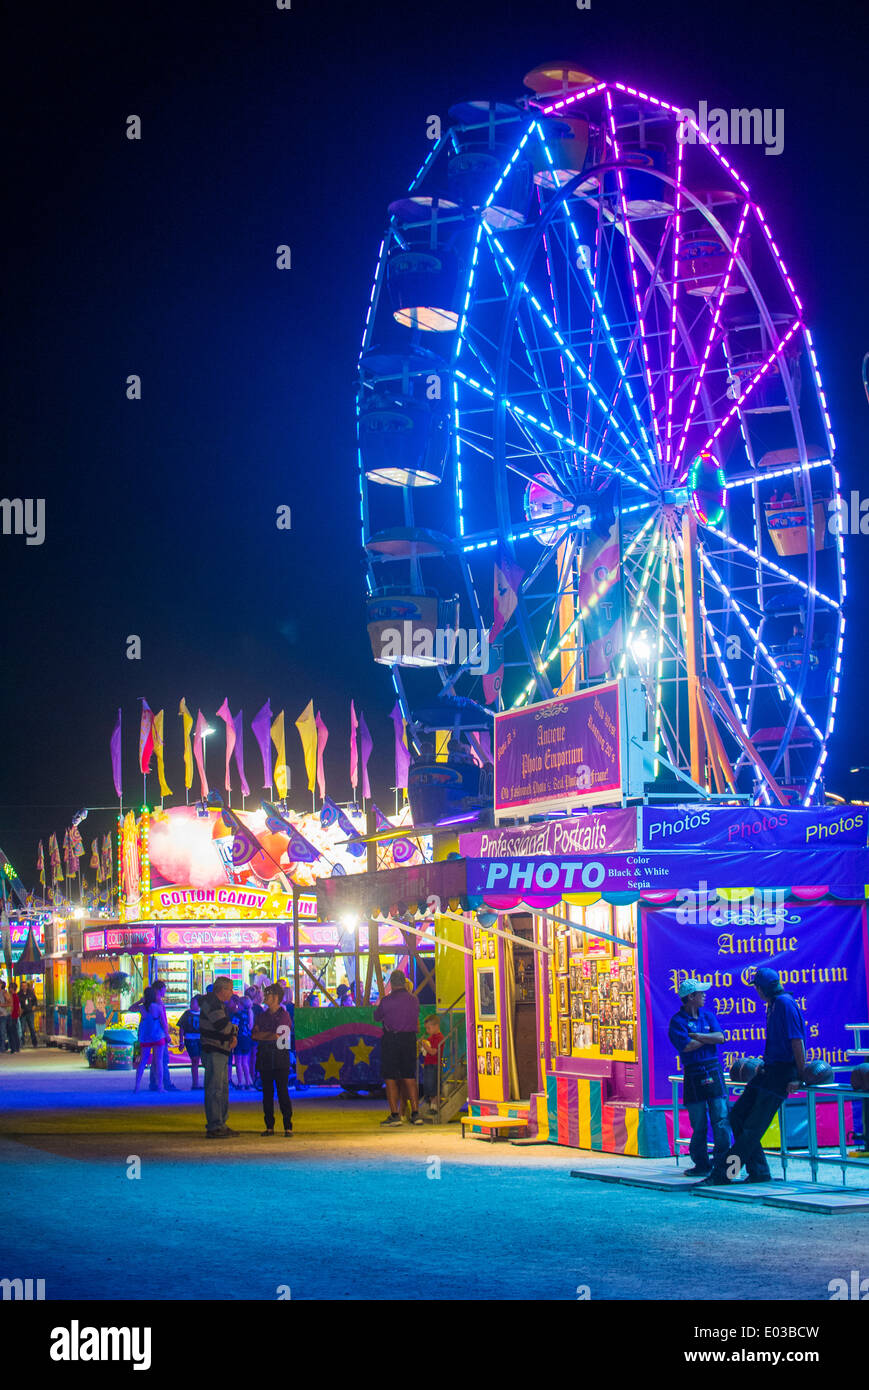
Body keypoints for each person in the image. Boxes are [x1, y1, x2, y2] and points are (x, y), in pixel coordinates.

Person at [702, 966, 807, 1186]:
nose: (756, 992)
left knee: (753, 1127)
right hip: (768, 1070)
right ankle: (759, 1171)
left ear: (761, 987)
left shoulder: (786, 1004)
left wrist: (800, 1076)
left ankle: (724, 1173)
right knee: (737, 1115)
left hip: (781, 1074)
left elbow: (797, 1042)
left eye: (756, 987)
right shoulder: (774, 1004)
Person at [668, 978, 730, 1177]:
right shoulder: (677, 1021)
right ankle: (701, 1163)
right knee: (699, 1122)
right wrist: (706, 1038)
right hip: (693, 1072)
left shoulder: (708, 1016)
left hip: (712, 1069)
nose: (704, 996)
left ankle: (723, 1161)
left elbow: (720, 1038)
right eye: (700, 993)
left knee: (720, 1118)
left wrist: (696, 1036)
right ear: (691, 997)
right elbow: (686, 1046)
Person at [374, 969, 422, 1126]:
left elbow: (377, 1016)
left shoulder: (386, 1001)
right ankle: (416, 1113)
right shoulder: (414, 1000)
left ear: (392, 984)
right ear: (404, 982)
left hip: (391, 1039)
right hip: (409, 1039)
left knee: (391, 1078)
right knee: (409, 1077)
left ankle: (395, 1115)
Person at [252, 983, 294, 1135]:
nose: (265, 997)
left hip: (280, 1056)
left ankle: (287, 1125)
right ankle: (269, 1126)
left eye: (268, 994)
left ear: (276, 997)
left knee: (282, 1092)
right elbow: (254, 1034)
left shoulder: (284, 1015)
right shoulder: (262, 1015)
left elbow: (279, 1036)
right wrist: (269, 1035)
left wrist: (265, 1035)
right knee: (267, 1093)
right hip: (265, 1056)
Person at [199, 976, 239, 1138]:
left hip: (220, 1049)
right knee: (215, 1089)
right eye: (230, 989)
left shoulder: (216, 1003)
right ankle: (215, 1124)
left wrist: (232, 1032)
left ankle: (220, 1122)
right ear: (221, 990)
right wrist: (234, 1031)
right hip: (215, 1049)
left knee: (221, 1089)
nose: (232, 992)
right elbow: (223, 1027)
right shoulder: (213, 1004)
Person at [134, 985, 169, 1093]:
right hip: (158, 1036)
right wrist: (167, 1034)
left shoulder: (142, 1007)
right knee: (158, 1061)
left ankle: (137, 1086)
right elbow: (163, 1023)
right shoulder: (158, 1007)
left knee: (143, 1061)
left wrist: (139, 1001)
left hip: (145, 1037)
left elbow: (130, 1008)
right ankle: (160, 1086)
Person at [152, 980, 179, 1091]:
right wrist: (167, 1034)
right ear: (159, 989)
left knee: (155, 1060)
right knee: (163, 1060)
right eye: (164, 988)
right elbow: (163, 1020)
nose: (165, 991)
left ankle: (154, 1083)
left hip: (153, 1034)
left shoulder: (150, 1002)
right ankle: (165, 1083)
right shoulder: (159, 1003)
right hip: (160, 1035)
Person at [419, 1013, 445, 1114]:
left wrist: (425, 1046)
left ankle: (435, 1107)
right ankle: (432, 1105)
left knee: (434, 1085)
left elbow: (433, 1051)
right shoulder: (431, 1037)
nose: (427, 1031)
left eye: (428, 1028)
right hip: (428, 1064)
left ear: (436, 1026)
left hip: (435, 1065)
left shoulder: (439, 1037)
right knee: (429, 1085)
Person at [231, 991, 255, 1089]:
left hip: (238, 1039)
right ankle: (248, 1081)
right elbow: (250, 1027)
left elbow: (233, 1027)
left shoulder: (237, 1015)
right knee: (245, 1062)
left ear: (241, 1005)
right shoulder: (250, 1014)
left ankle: (240, 1082)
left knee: (238, 1062)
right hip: (247, 1040)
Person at [178, 995, 202, 1089]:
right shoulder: (187, 1014)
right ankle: (195, 1083)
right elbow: (182, 1028)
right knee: (195, 1060)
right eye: (191, 1003)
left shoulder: (203, 1014)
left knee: (204, 1060)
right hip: (190, 1039)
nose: (192, 1005)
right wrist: (181, 1042)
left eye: (193, 1003)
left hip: (201, 1039)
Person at [19, 982, 38, 1047]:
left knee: (32, 1028)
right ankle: (22, 1042)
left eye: (25, 986)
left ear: (27, 986)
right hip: (23, 1013)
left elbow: (35, 1001)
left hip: (30, 1012)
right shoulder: (19, 994)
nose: (24, 987)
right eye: (22, 986)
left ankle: (34, 1042)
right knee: (22, 1028)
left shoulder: (31, 993)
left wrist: (34, 1006)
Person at [7, 981, 22, 1053]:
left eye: (10, 988)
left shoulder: (12, 996)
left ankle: (13, 1048)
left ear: (12, 989)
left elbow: (12, 1006)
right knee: (15, 1031)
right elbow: (18, 1006)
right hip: (15, 1015)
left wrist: (10, 1012)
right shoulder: (16, 996)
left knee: (12, 1032)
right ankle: (17, 1047)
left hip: (12, 1015)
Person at [0, 979, 11, 1053]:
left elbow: (10, 1003)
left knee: (2, 1032)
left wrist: (2, 1005)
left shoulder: (4, 992)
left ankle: (3, 1047)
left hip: (3, 1015)